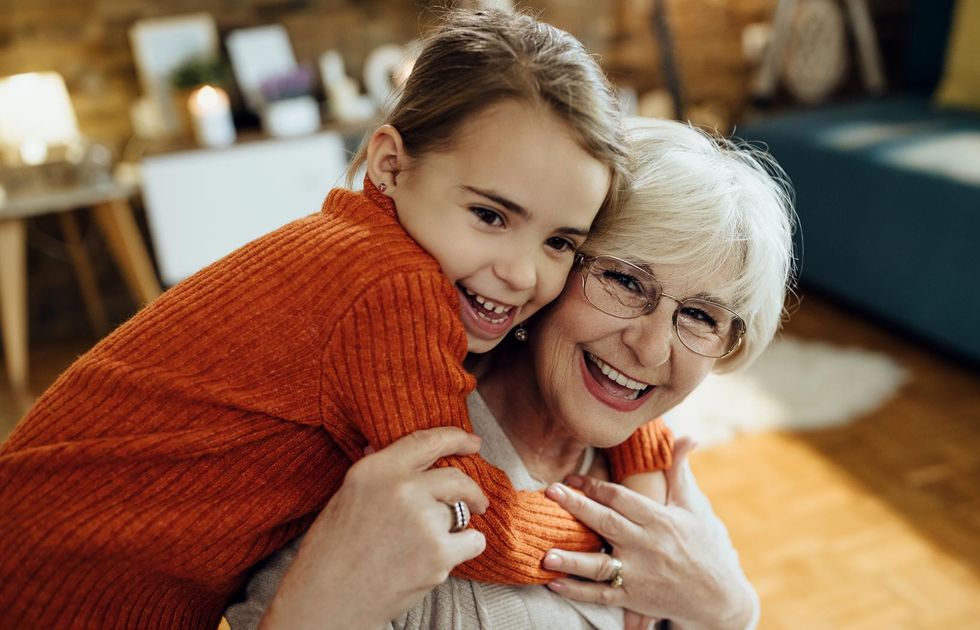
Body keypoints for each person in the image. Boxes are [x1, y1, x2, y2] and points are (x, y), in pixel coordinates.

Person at [0, 10, 677, 629]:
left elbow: (599, 350)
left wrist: (639, 441)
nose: (524, 272)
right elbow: (467, 514)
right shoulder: (391, 285)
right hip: (56, 594)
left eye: (560, 242)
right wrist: (616, 543)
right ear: (389, 166)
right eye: (491, 215)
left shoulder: (374, 247)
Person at [224, 117, 797, 629]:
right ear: (551, 261)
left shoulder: (663, 484)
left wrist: (728, 605)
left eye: (700, 316)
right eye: (624, 281)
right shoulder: (387, 461)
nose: (651, 349)